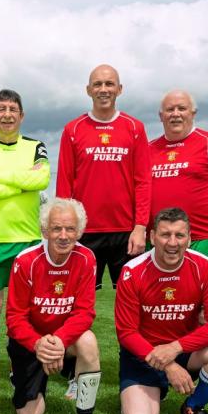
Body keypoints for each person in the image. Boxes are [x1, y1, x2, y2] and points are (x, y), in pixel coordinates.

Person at [115, 207, 208, 414]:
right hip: (144, 356)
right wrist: (167, 365)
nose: (172, 242)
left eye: (179, 235)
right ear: (152, 237)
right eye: (165, 235)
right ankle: (153, 389)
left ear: (190, 238)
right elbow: (126, 333)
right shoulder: (132, 271)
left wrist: (175, 349)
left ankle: (193, 406)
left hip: (185, 352)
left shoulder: (204, 267)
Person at [0, 89, 50, 395]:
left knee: (26, 312)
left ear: (21, 115)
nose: (7, 114)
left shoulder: (35, 146)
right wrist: (19, 181)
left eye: (13, 109)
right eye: (0, 109)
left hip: (28, 239)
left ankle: (22, 367)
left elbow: (40, 181)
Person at [5, 198, 103, 414]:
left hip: (64, 340)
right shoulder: (26, 261)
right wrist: (39, 344)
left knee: (88, 341)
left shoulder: (87, 258)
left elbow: (85, 312)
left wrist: (59, 340)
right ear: (44, 230)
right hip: (32, 342)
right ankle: (23, 375)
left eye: (70, 229)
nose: (63, 235)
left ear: (78, 231)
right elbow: (15, 318)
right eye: (56, 228)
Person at [56, 64, 151, 290]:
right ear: (88, 90)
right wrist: (65, 228)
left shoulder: (135, 128)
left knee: (134, 299)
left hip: (126, 231)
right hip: (85, 231)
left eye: (109, 84)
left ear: (120, 89)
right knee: (76, 299)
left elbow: (143, 182)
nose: (103, 89)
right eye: (97, 84)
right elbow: (64, 184)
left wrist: (140, 227)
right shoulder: (73, 130)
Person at [149, 90, 208, 264]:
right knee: (159, 291)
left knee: (197, 290)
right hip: (159, 240)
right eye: (170, 109)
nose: (175, 114)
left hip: (200, 239)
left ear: (193, 113)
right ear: (160, 115)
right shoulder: (148, 149)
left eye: (182, 108)